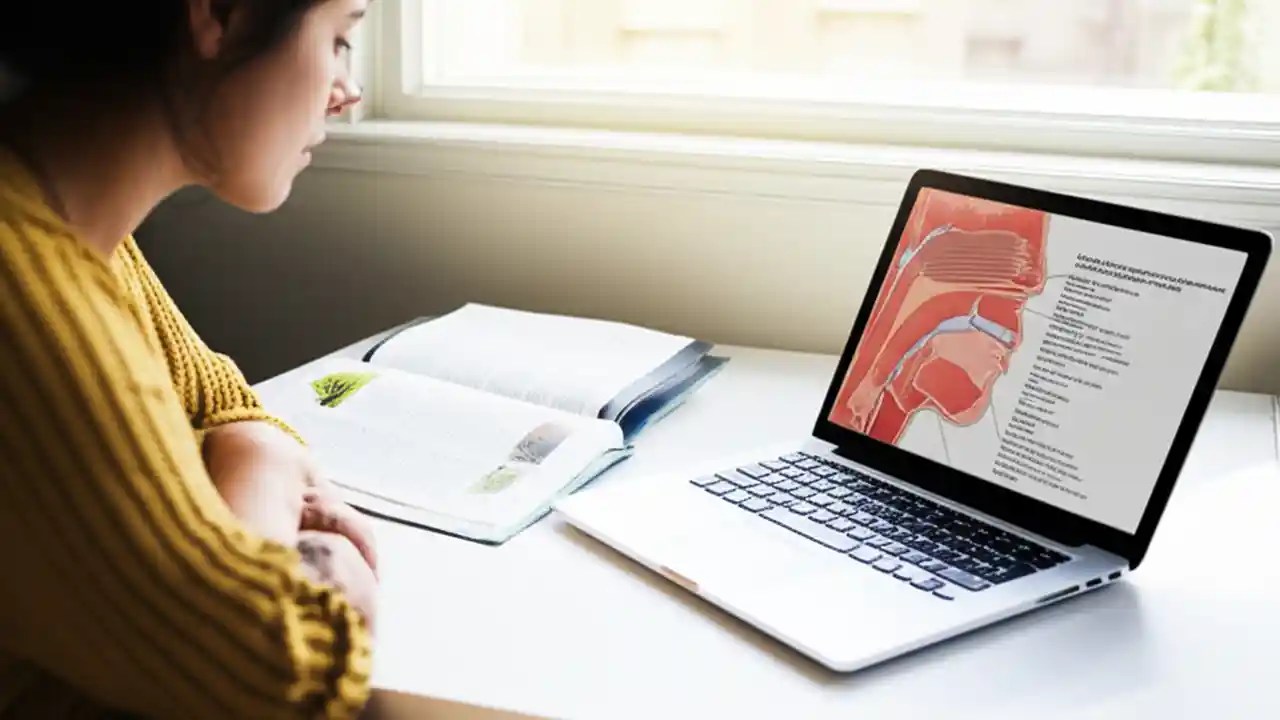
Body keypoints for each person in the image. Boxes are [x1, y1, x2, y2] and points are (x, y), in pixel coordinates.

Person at [0, 1, 382, 717]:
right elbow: (282, 675)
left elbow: (226, 407)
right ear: (221, 15)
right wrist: (299, 525)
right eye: (337, 38)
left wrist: (250, 449)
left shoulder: (76, 226)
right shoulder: (22, 284)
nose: (348, 91)